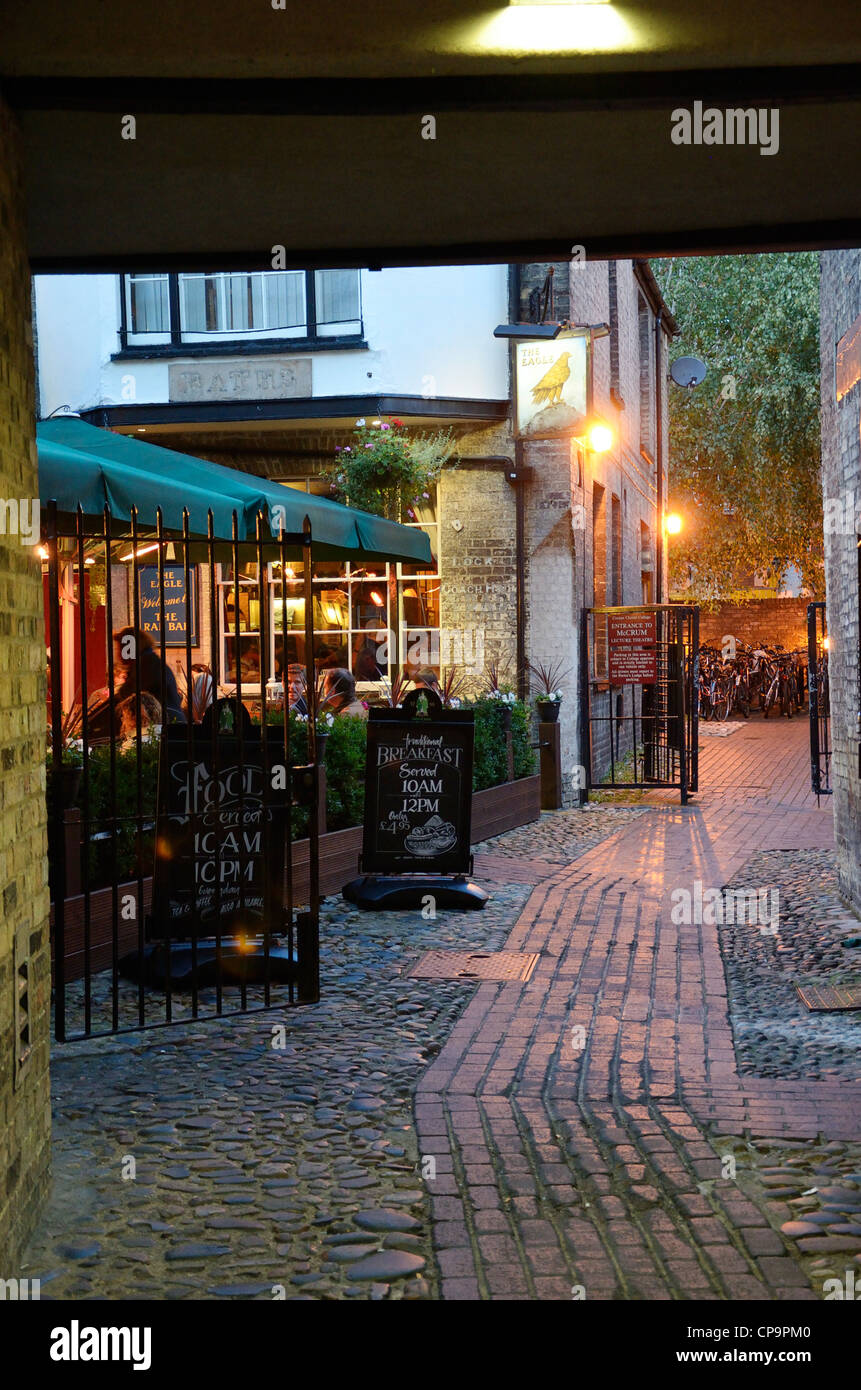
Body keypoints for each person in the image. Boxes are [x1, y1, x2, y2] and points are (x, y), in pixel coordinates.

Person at [113, 625, 186, 726]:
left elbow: (129, 695)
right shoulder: (148, 661)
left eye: (119, 648)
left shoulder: (146, 665)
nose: (118, 654)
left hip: (167, 727)